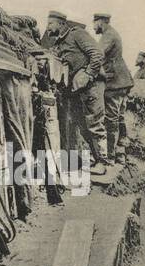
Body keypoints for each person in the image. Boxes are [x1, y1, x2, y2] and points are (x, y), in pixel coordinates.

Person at [43, 10, 108, 174]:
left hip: (92, 85)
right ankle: (96, 159)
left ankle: (103, 164)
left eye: (50, 23)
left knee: (95, 123)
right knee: (83, 125)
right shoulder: (59, 42)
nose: (48, 27)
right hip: (78, 89)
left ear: (61, 23)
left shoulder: (77, 34)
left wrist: (88, 73)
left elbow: (97, 54)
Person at [93, 13, 134, 164]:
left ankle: (110, 157)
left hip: (115, 83)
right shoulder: (112, 33)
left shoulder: (108, 35)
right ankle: (120, 154)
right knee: (119, 118)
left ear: (100, 22)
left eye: (94, 23)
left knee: (111, 120)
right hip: (123, 82)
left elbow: (97, 53)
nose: (93, 26)